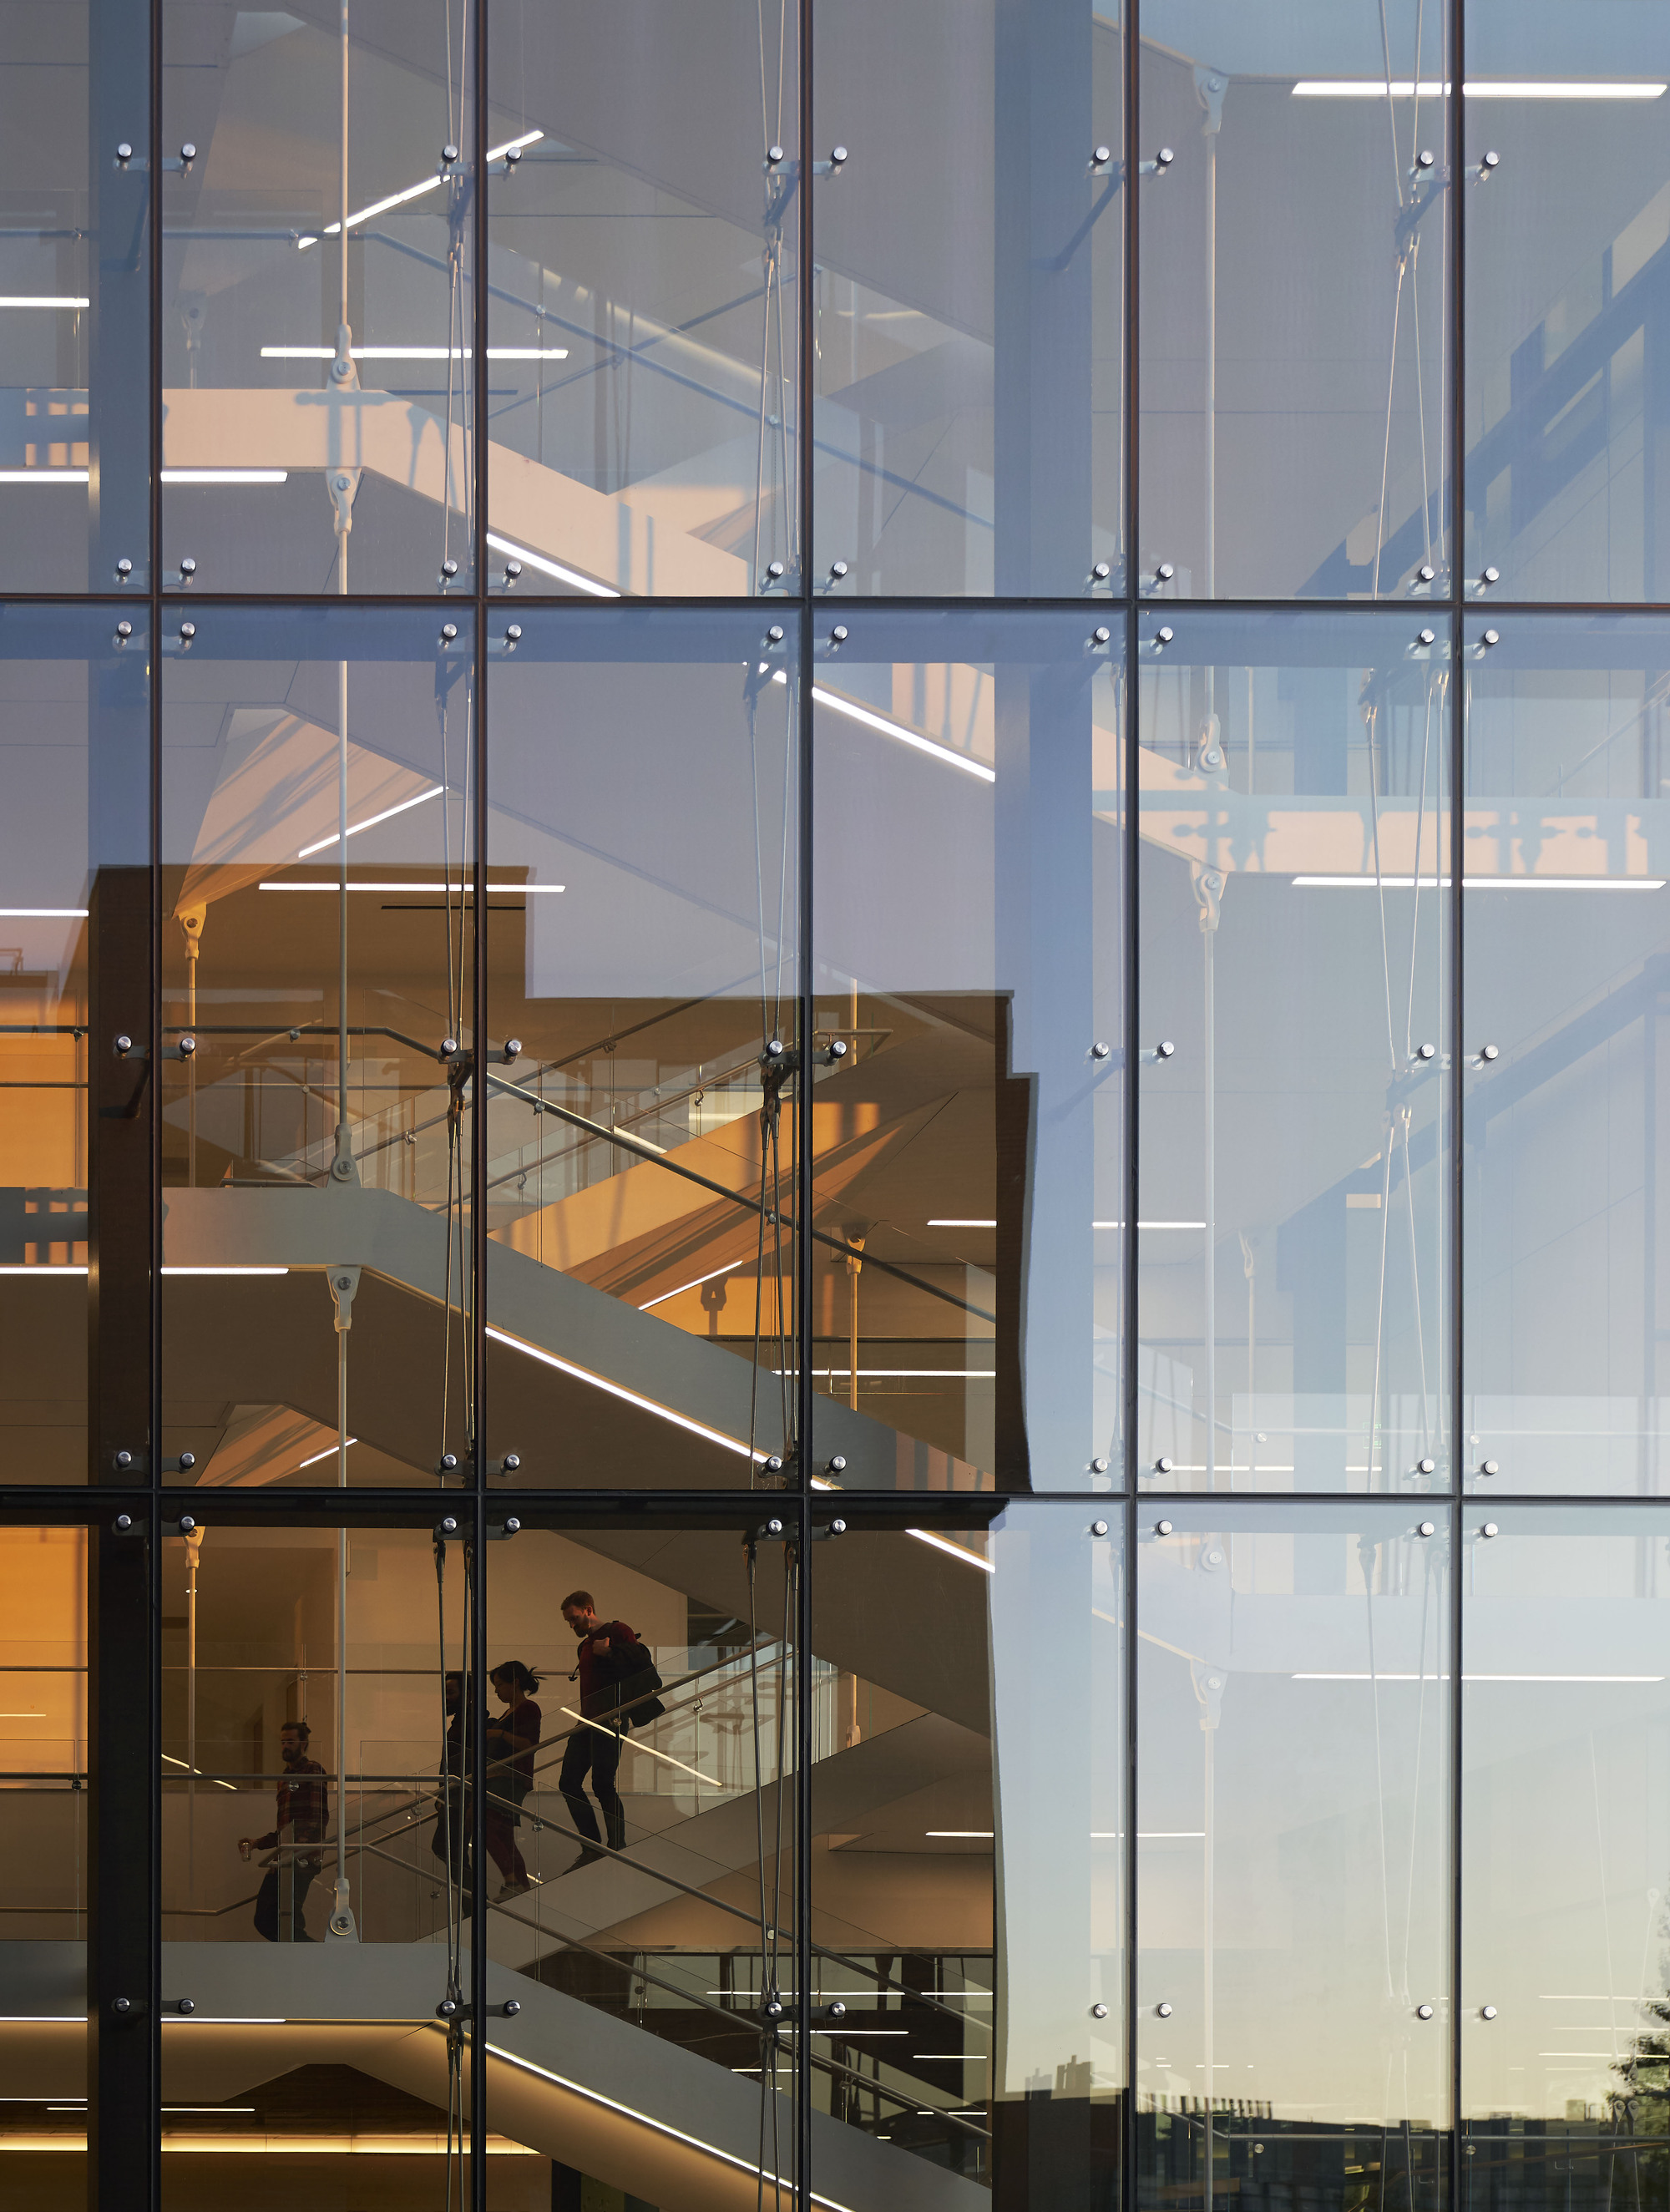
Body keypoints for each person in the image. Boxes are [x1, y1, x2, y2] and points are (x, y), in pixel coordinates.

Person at [557, 1590, 655, 1874]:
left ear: (588, 1610)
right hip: (589, 1720)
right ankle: (593, 1846)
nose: (572, 1625)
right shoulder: (585, 1646)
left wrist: (609, 1651)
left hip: (611, 1718)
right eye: (568, 1621)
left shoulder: (617, 1631)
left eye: (574, 1619)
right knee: (569, 1782)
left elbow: (641, 1665)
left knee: (602, 1784)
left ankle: (615, 1846)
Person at [239, 1719, 328, 1942]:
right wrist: (258, 1843)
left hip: (301, 1858)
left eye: (290, 1741)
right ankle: (305, 1957)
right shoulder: (283, 1779)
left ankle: (311, 1958)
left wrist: (299, 1849)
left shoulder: (312, 1769)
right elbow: (284, 1829)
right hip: (285, 1858)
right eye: (282, 1741)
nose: (285, 1746)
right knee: (270, 1918)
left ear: (304, 1743)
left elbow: (317, 1818)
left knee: (282, 1919)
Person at [484, 1660, 543, 1900]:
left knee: (485, 1826)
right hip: (498, 1777)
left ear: (515, 1683)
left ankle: (511, 1880)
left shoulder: (528, 1709)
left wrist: (498, 1733)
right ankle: (521, 1885)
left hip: (509, 1777)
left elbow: (529, 1745)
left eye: (500, 1685)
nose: (496, 1690)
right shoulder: (509, 1712)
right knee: (503, 1832)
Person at [430, 1670, 471, 1892]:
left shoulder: (470, 1723)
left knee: (447, 1848)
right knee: (452, 1851)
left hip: (460, 1799)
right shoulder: (461, 1723)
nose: (446, 1698)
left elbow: (469, 1765)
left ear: (468, 1694)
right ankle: (473, 1905)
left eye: (451, 1692)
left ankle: (474, 1903)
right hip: (455, 1798)